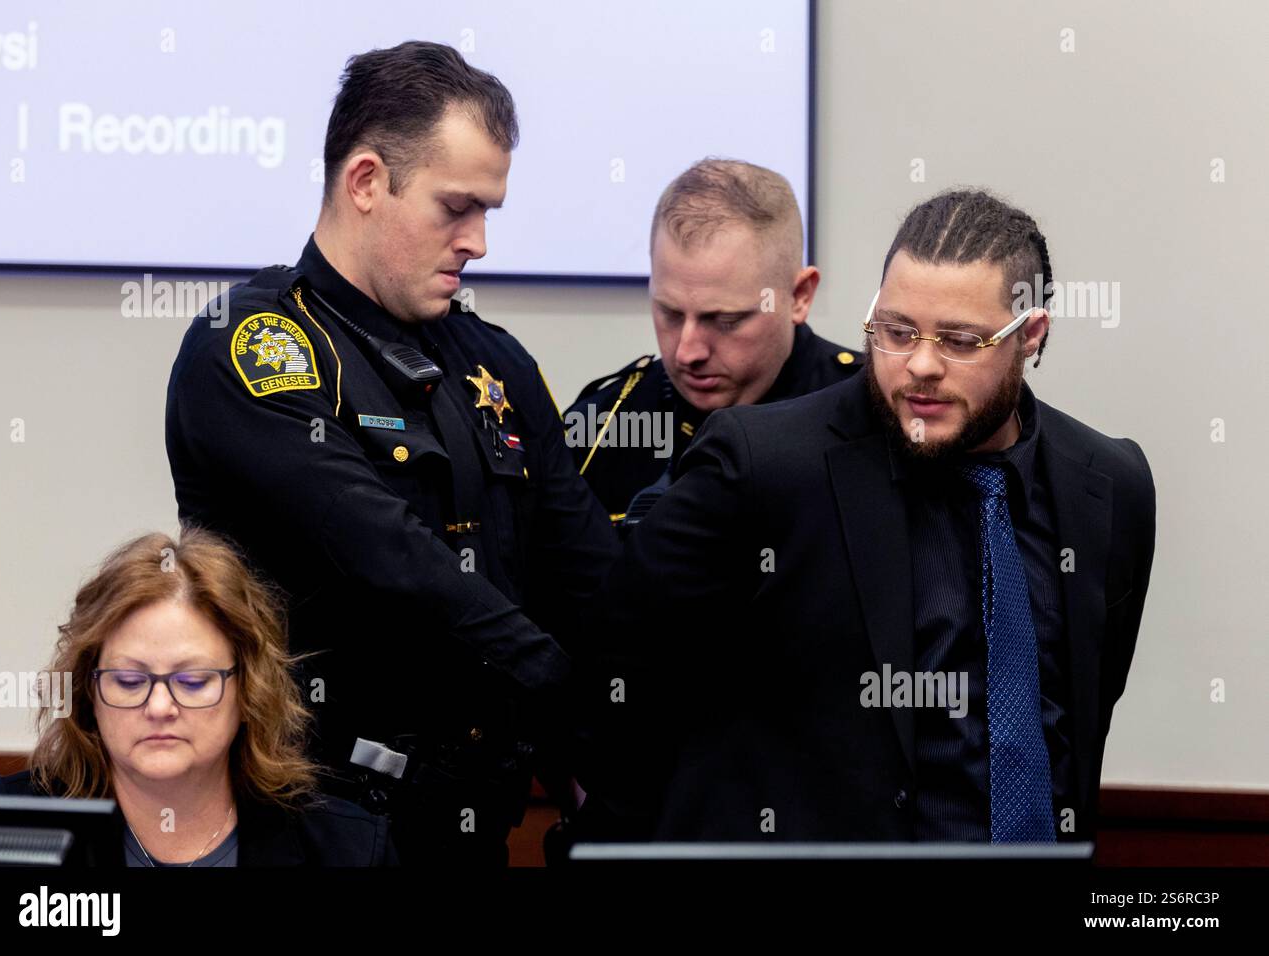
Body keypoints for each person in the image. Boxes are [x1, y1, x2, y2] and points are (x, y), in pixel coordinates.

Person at [582, 189, 1156, 844]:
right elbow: (614, 665)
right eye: (896, 331)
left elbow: (1084, 710)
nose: (920, 366)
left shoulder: (1110, 485)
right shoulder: (764, 465)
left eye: (961, 341)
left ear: (1031, 336)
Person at [164, 41, 617, 866]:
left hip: (475, 821)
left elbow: (585, 567)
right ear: (366, 181)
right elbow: (383, 553)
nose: (478, 241)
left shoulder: (493, 362)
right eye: (456, 208)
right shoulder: (258, 340)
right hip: (310, 820)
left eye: (490, 211)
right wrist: (562, 682)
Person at [0, 529, 396, 867]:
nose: (160, 707)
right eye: (128, 681)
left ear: (248, 691)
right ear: (88, 692)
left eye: (194, 682)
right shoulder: (9, 833)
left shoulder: (348, 850)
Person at [565, 158, 862, 526]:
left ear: (799, 295)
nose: (687, 352)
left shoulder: (872, 419)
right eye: (670, 313)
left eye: (725, 321)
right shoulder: (602, 432)